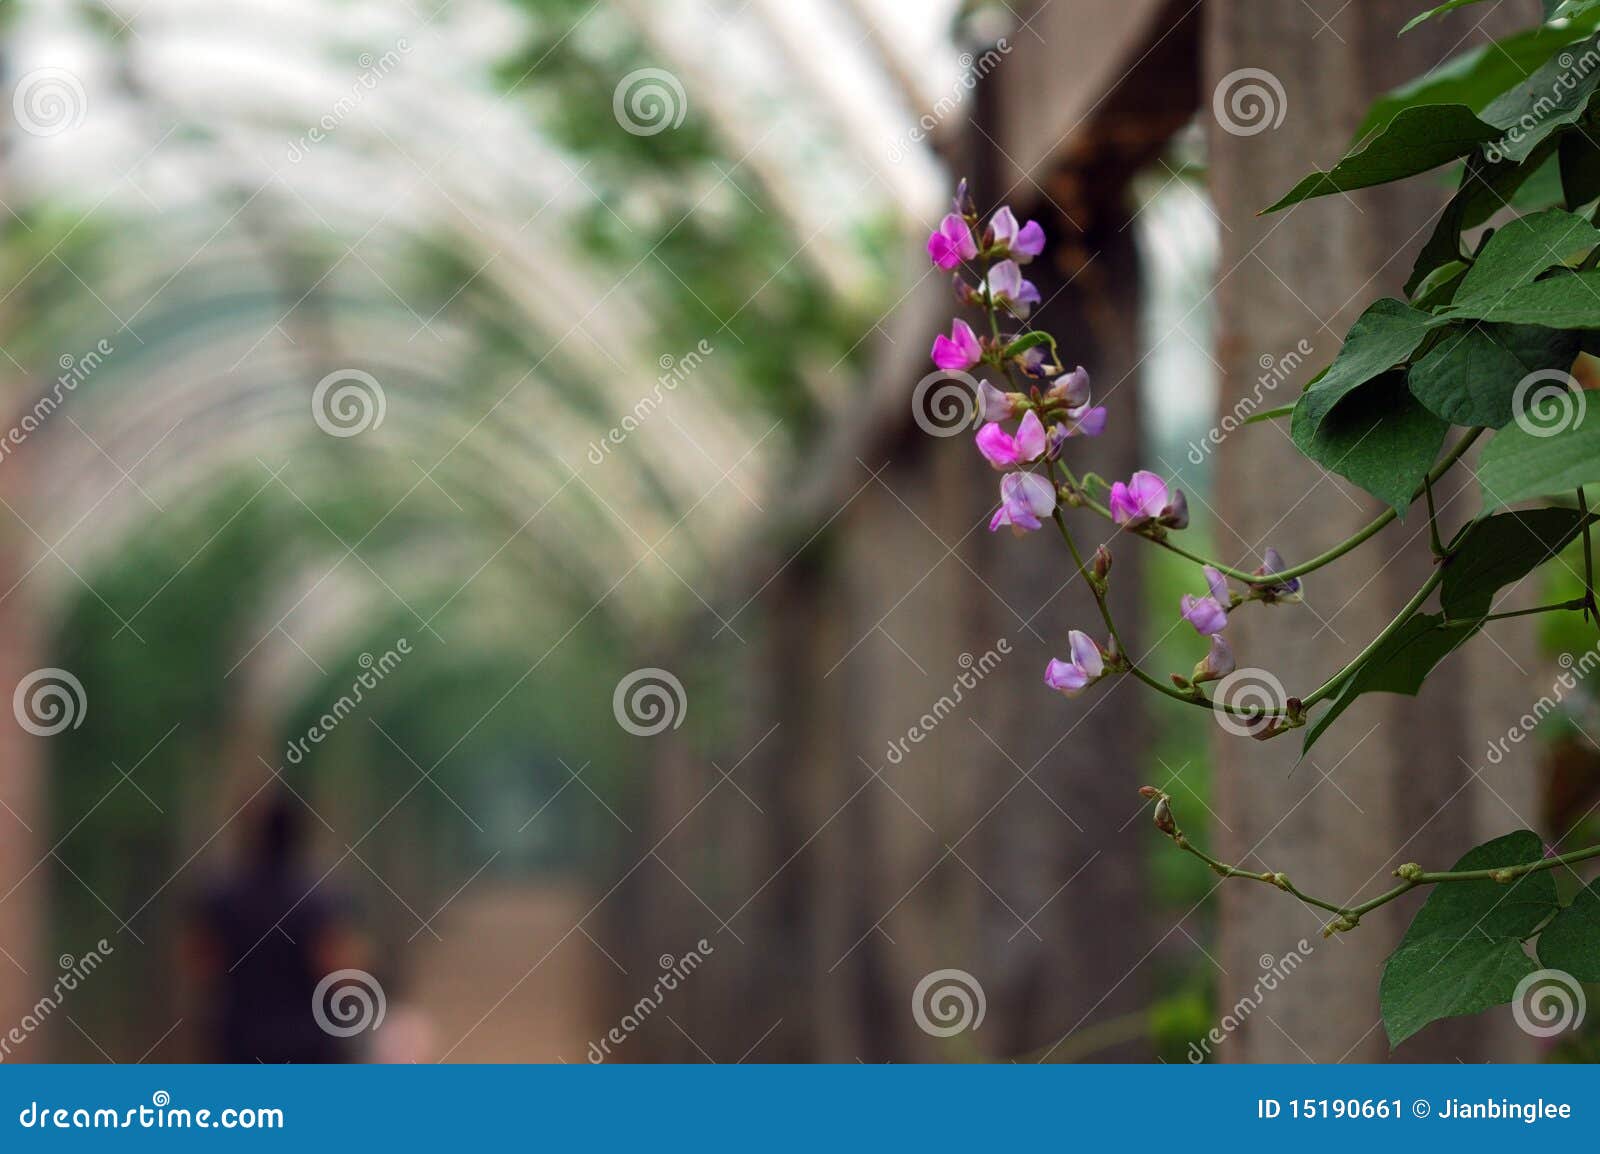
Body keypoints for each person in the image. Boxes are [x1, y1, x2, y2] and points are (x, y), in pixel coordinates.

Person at [184, 791, 365, 1062]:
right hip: (309, 1047)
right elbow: (340, 975)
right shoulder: (320, 901)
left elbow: (201, 968)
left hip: (240, 1044)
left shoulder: (221, 900)